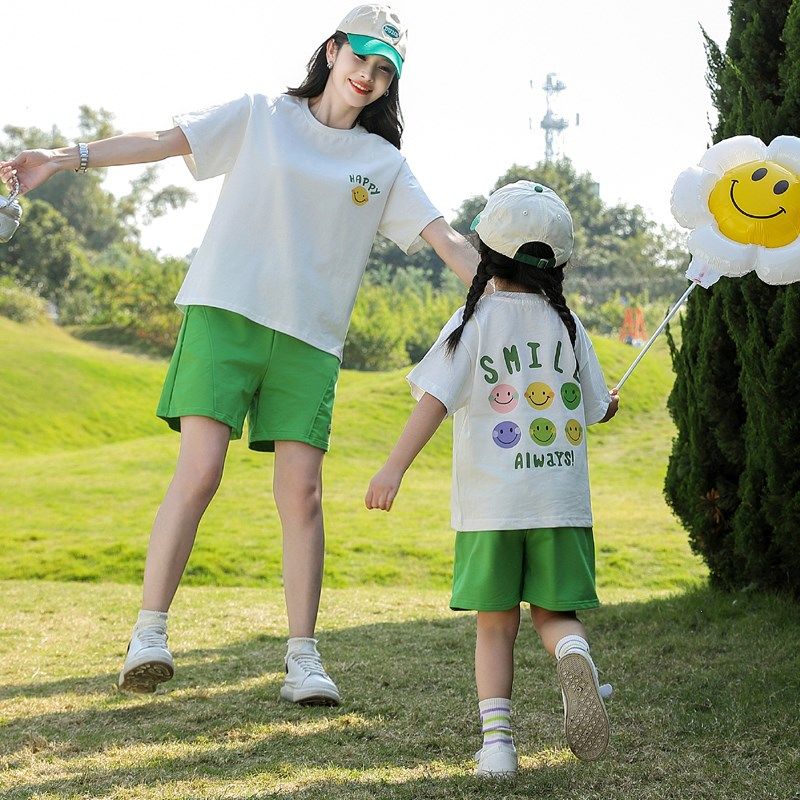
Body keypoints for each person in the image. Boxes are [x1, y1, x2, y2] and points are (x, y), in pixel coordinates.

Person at [0, 4, 478, 704]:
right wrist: (61, 158)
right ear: (333, 50)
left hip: (308, 342)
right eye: (360, 58)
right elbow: (163, 141)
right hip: (224, 315)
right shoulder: (261, 115)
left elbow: (448, 242)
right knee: (200, 473)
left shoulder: (383, 164)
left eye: (384, 70)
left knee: (303, 496)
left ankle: (303, 660)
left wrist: (533, 295)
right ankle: (148, 636)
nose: (368, 77)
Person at [365, 180, 620, 775]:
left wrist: (393, 467)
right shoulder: (568, 324)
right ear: (557, 264)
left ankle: (498, 746)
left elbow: (433, 400)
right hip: (560, 502)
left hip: (491, 506)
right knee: (555, 616)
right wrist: (607, 404)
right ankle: (574, 653)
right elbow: (593, 408)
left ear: (485, 253)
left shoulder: (473, 320)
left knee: (496, 626)